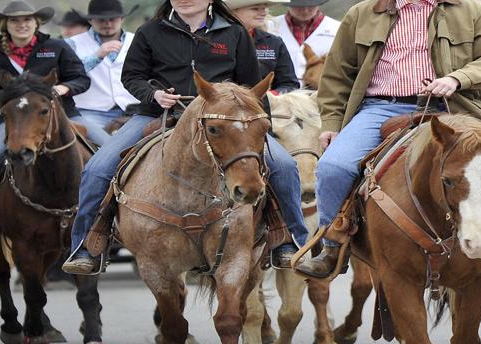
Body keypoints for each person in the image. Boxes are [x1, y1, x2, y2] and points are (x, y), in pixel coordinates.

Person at [293, 0, 481, 279]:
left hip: (457, 105)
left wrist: (458, 78)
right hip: (380, 107)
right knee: (333, 167)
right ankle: (332, 243)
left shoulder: (474, 9)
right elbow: (337, 75)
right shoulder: (362, 13)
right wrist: (332, 124)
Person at [62, 0, 309, 274]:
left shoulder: (234, 32)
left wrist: (263, 132)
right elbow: (131, 76)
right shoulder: (149, 31)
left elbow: (250, 88)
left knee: (284, 165)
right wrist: (153, 94)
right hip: (157, 114)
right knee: (98, 168)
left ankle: (289, 239)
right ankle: (87, 245)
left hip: (223, 121)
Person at [0, 2, 93, 241]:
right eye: (15, 20)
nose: (22, 25)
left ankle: (113, 214)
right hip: (16, 121)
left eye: (27, 20)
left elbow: (81, 79)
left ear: (36, 23)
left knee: (107, 150)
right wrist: (14, 97)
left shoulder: (56, 47)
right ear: (5, 25)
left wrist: (64, 87)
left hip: (63, 116)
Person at [67, 0, 140, 149]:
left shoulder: (138, 40)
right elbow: (68, 73)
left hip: (133, 109)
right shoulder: (72, 43)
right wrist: (97, 56)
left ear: (122, 19)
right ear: (90, 20)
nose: (107, 23)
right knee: (83, 147)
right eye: (101, 20)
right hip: (90, 111)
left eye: (112, 19)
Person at [229, 0, 302, 92]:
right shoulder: (218, 39)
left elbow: (289, 84)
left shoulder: (274, 42)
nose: (263, 13)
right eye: (255, 8)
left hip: (265, 100)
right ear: (234, 11)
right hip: (225, 99)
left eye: (264, 8)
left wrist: (270, 96)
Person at [266, 0, 339, 83]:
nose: (305, 10)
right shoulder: (269, 27)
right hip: (279, 87)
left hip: (320, 88)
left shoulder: (337, 28)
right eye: (299, 5)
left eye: (311, 5)